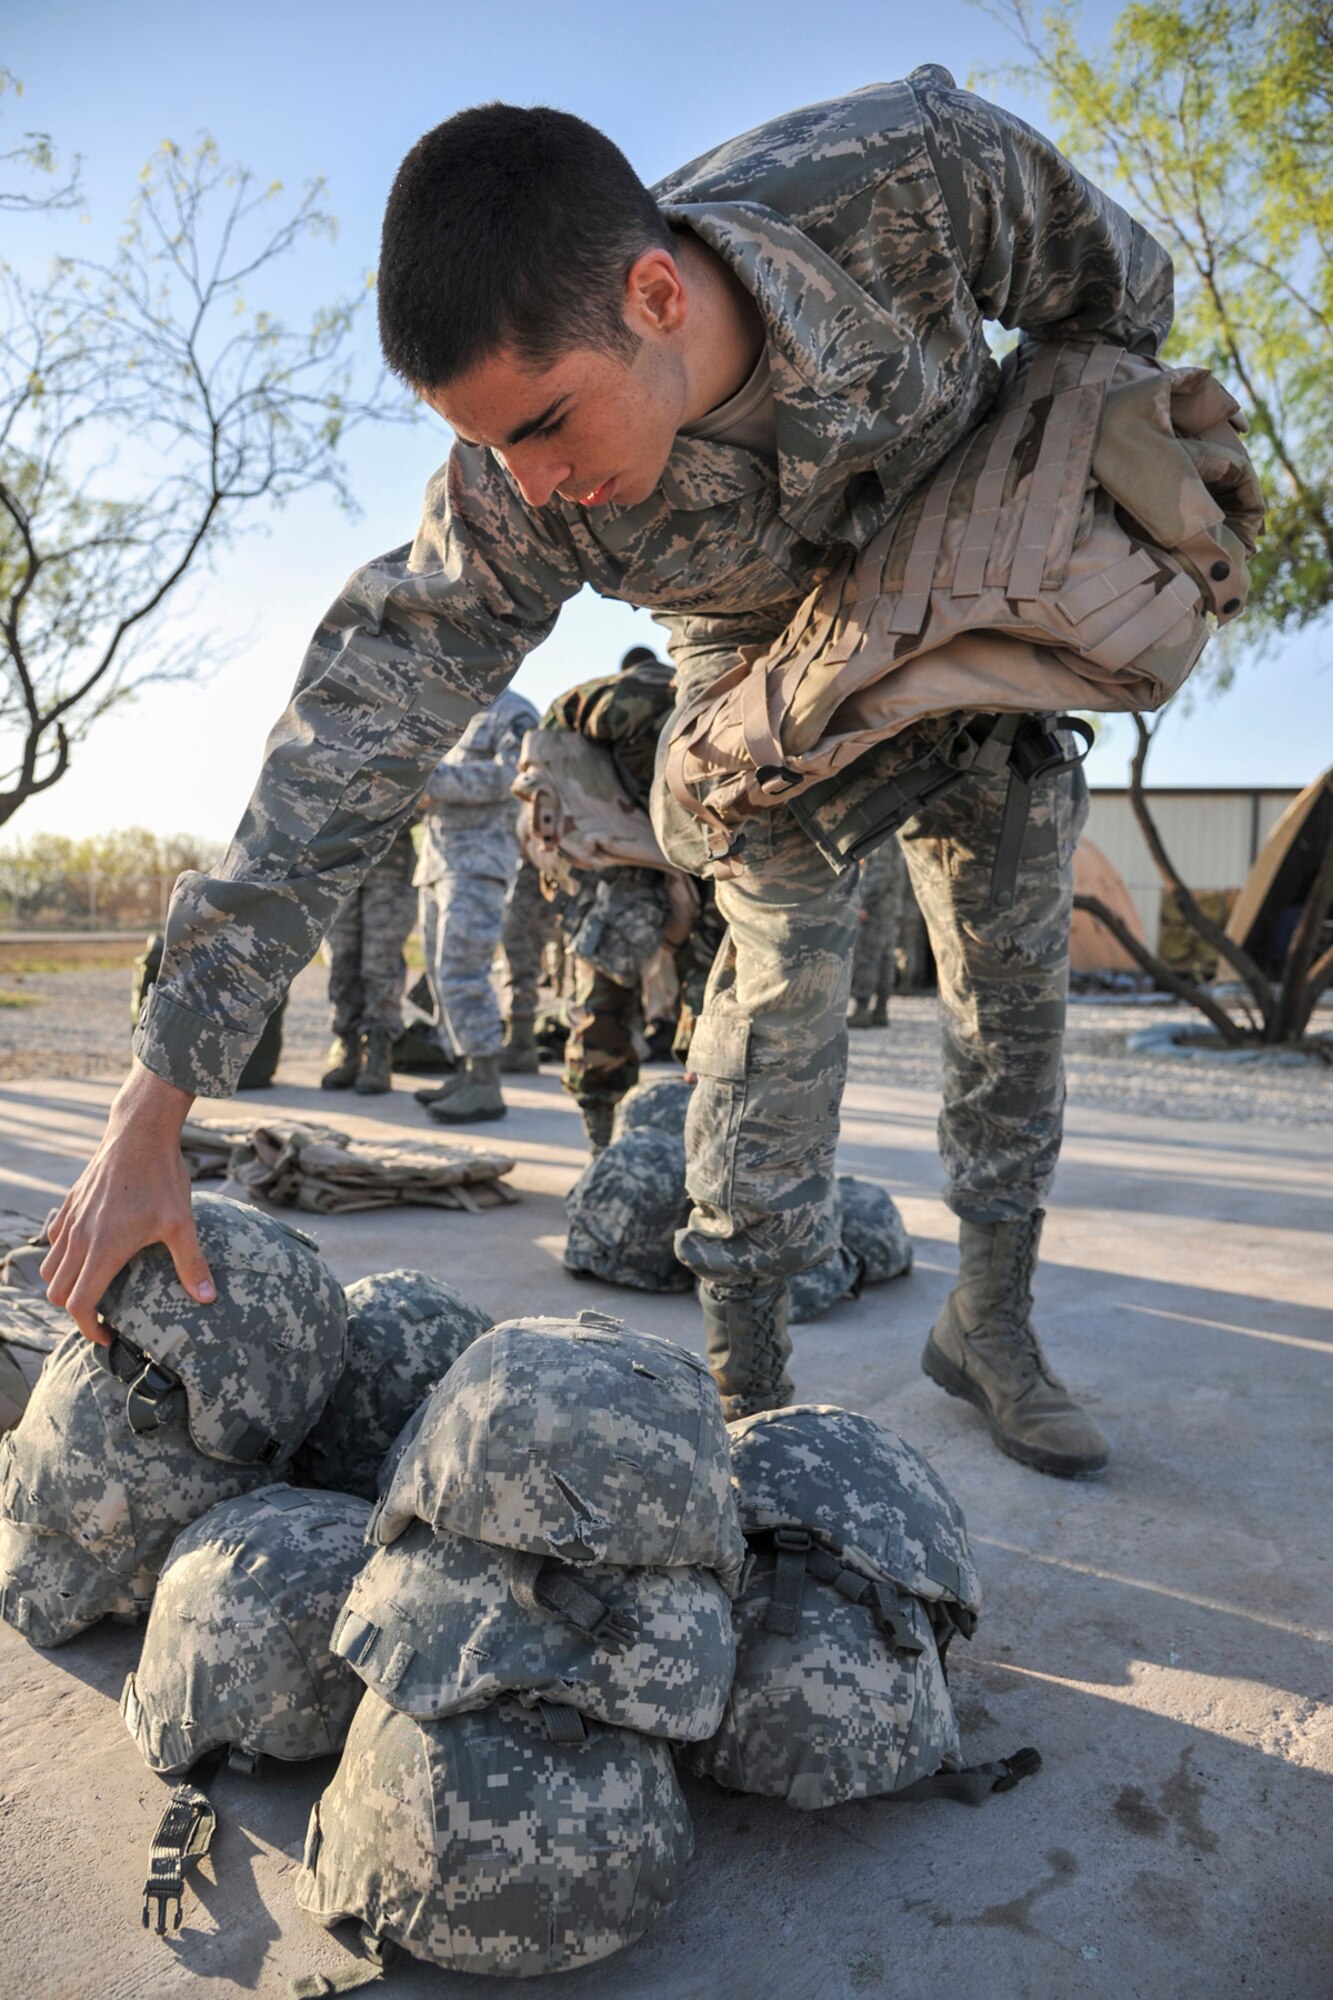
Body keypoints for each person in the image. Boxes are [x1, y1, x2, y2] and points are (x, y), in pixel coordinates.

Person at [44, 69, 1174, 1477]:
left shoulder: (910, 175)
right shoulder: (516, 502)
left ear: (654, 297)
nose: (525, 485)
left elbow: (1123, 288)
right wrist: (155, 1105)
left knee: (1012, 997)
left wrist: (1053, 496)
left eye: (541, 426)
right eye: (484, 444)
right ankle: (748, 1381)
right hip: (760, 681)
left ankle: (992, 1326)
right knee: (778, 981)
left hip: (979, 625)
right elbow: (350, 738)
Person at [541, 645, 723, 1152]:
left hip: (687, 852)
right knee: (634, 985)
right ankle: (621, 1127)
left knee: (689, 990)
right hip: (647, 853)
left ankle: (674, 1121)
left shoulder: (640, 695)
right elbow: (549, 744)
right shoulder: (647, 695)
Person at [414, 687, 538, 1123]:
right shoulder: (453, 713)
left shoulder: (513, 711)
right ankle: (465, 1069)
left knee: (462, 968)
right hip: (438, 860)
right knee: (439, 972)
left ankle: (486, 1079)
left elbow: (514, 777)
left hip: (479, 859)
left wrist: (432, 783)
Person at [319, 823, 418, 1095]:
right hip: (338, 859)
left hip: (390, 861)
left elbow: (422, 796)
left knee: (380, 962)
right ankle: (349, 1051)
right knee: (340, 960)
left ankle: (378, 1055)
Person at [848, 838, 908, 1030]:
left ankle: (862, 1009)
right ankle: (880, 1010)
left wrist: (865, 903)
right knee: (884, 958)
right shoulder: (891, 836)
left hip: (876, 908)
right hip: (888, 907)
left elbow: (880, 873)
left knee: (867, 956)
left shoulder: (883, 839)